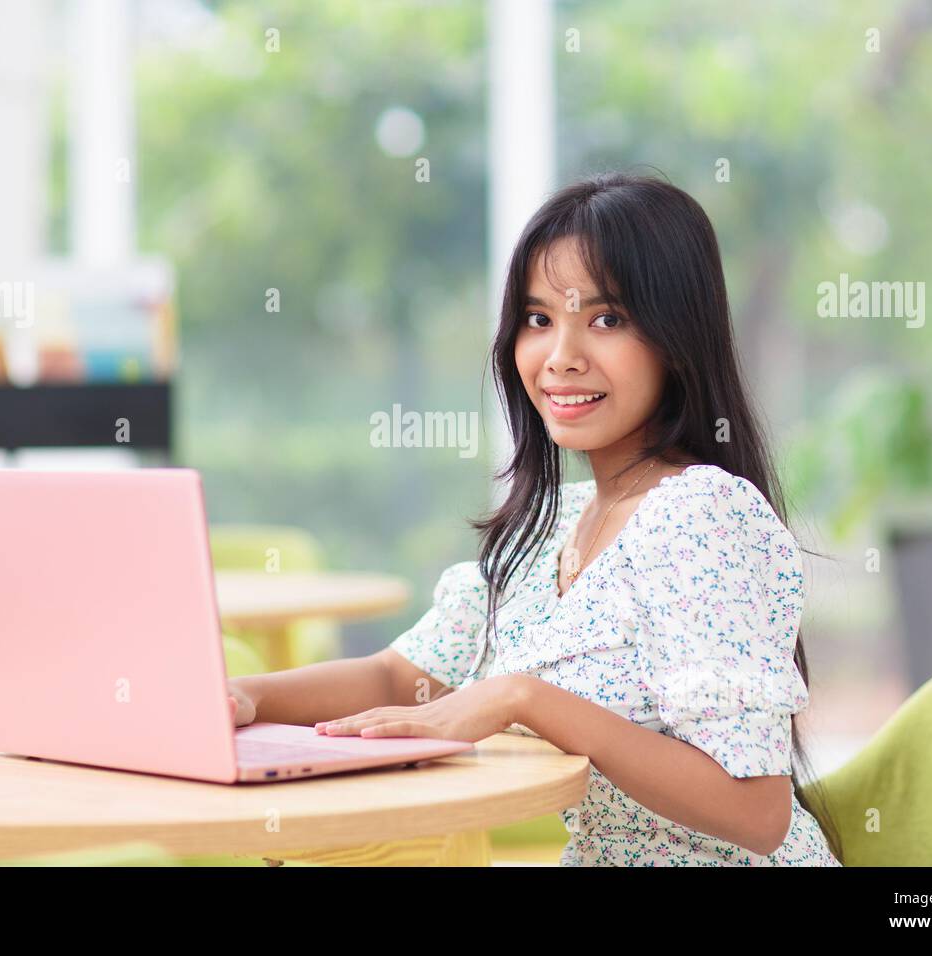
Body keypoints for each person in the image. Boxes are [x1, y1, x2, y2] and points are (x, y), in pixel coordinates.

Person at [228, 171, 843, 866]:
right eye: (538, 318)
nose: (561, 358)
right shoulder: (553, 528)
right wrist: (245, 696)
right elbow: (403, 679)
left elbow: (755, 812)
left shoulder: (703, 516)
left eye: (607, 319)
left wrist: (524, 697)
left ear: (676, 337)